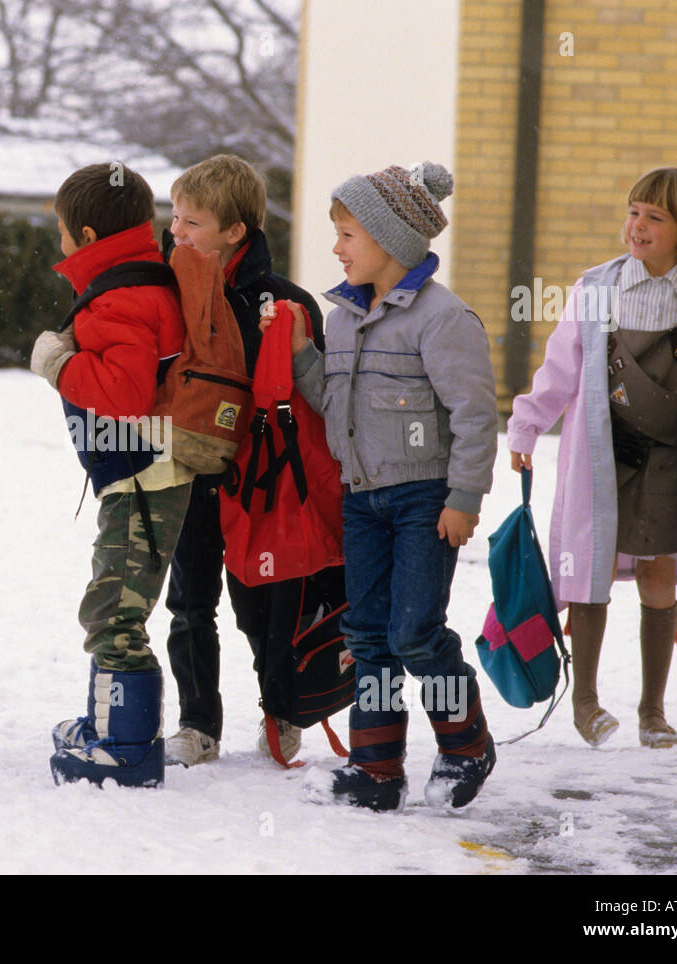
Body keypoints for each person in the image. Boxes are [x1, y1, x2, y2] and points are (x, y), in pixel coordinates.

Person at [507, 167, 677, 749]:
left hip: (673, 459)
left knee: (658, 570)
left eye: (655, 217)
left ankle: (654, 709)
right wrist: (525, 426)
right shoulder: (595, 288)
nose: (637, 226)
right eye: (633, 212)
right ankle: (586, 702)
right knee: (590, 568)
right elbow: (559, 371)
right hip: (605, 453)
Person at [269, 161, 498, 811]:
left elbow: (476, 416)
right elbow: (330, 402)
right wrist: (298, 353)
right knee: (367, 635)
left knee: (415, 633)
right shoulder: (342, 319)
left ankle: (465, 746)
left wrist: (463, 499)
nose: (336, 248)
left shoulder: (442, 319)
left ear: (392, 241)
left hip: (424, 499)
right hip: (362, 500)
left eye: (348, 235)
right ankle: (376, 769)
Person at [158, 153, 340, 767]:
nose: (176, 232)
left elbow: (314, 397)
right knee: (188, 604)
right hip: (186, 471)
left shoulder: (285, 303)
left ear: (236, 230)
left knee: (264, 608)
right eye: (174, 219)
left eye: (193, 223)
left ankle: (282, 712)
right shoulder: (164, 291)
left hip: (264, 482)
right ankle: (197, 723)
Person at [30, 162, 191, 788]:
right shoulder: (139, 282)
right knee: (114, 604)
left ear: (89, 235)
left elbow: (121, 394)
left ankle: (125, 748)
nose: (61, 246)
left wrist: (58, 364)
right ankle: (109, 726)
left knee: (115, 613)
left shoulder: (120, 295)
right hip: (143, 476)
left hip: (143, 479)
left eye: (65, 234)